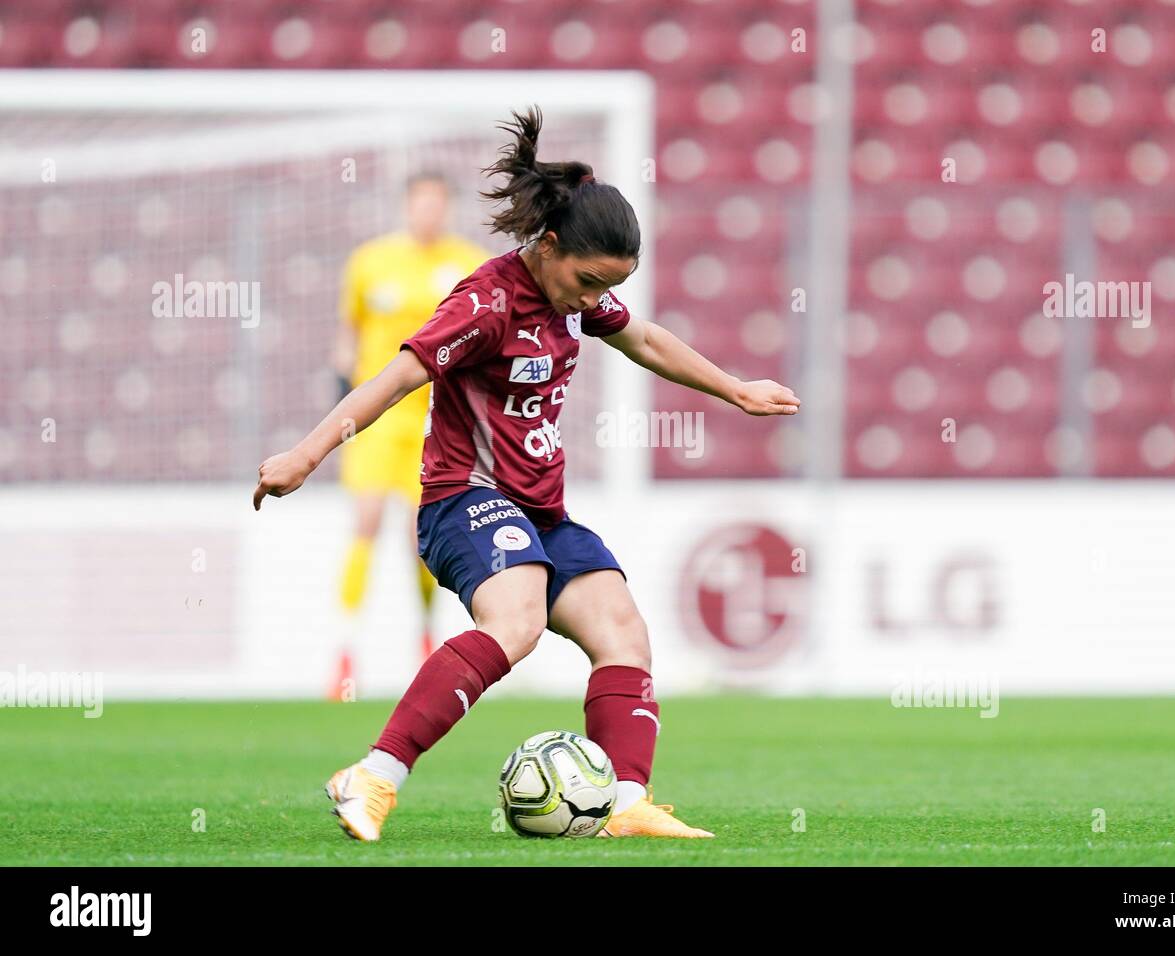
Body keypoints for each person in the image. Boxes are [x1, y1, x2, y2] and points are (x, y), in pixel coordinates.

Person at [254, 106, 800, 840]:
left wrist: (734, 388)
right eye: (585, 280)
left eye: (606, 286)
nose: (591, 298)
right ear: (546, 246)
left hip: (540, 511)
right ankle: (373, 776)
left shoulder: (576, 295)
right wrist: (305, 456)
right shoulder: (484, 303)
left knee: (622, 631)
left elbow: (644, 337)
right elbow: (392, 380)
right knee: (517, 623)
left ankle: (624, 802)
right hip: (464, 500)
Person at [332, 173, 489, 695]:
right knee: (367, 521)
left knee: (416, 538)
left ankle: (425, 636)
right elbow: (347, 337)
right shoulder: (369, 262)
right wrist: (345, 404)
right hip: (377, 418)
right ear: (406, 206)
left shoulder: (467, 263)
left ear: (446, 208)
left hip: (433, 420)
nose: (428, 212)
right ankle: (345, 652)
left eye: (436, 203)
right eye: (419, 202)